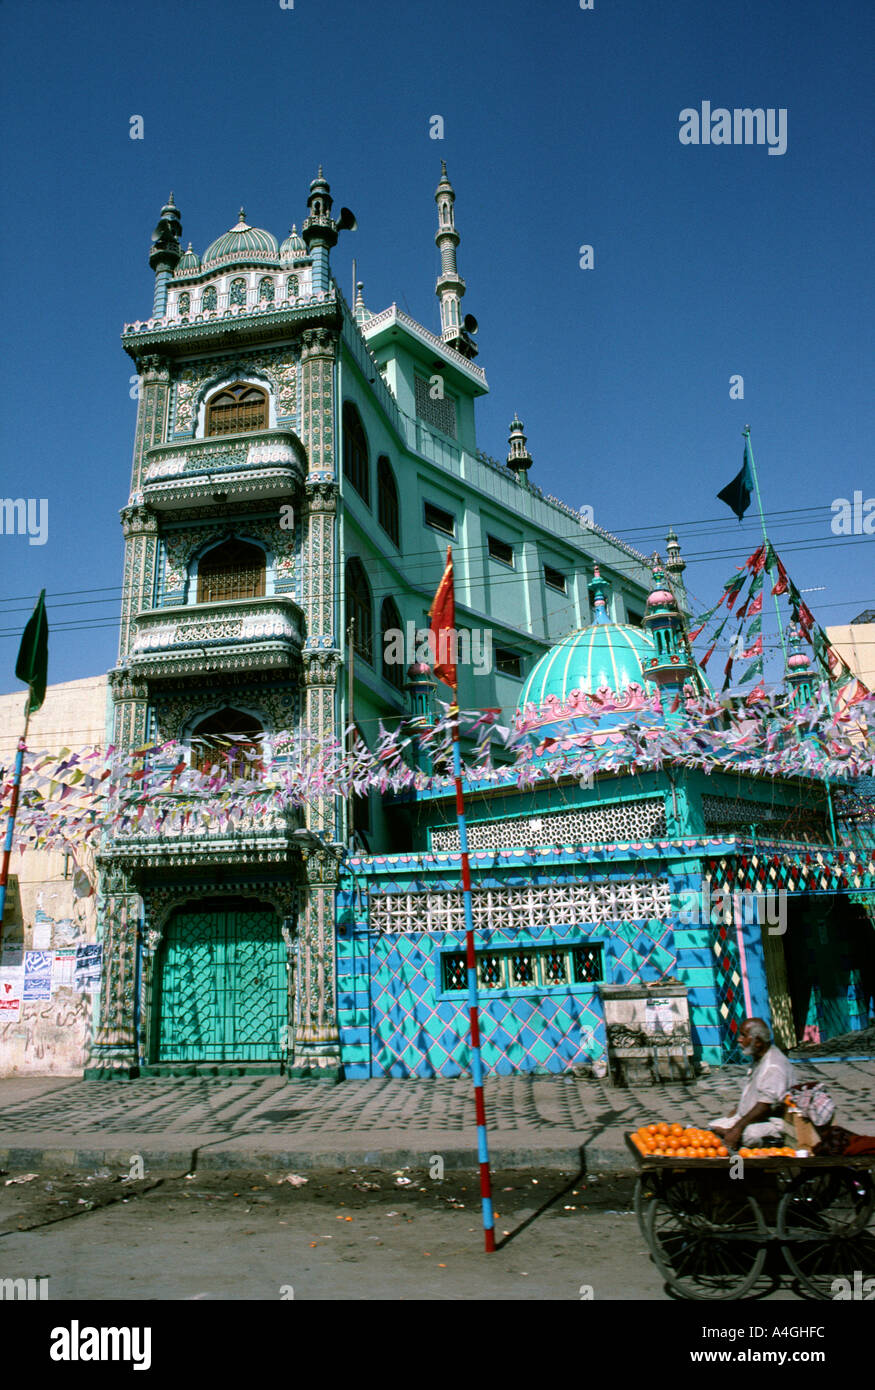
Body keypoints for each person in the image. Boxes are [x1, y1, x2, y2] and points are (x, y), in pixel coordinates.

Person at [711, 1017, 793, 1150]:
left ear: (758, 1042)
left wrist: (736, 1129)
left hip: (773, 1122)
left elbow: (764, 1107)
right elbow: (751, 1094)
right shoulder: (758, 1058)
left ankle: (766, 1145)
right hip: (751, 1117)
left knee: (749, 1135)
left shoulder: (773, 1066)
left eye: (744, 1035)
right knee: (714, 1127)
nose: (739, 1039)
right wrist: (734, 1115)